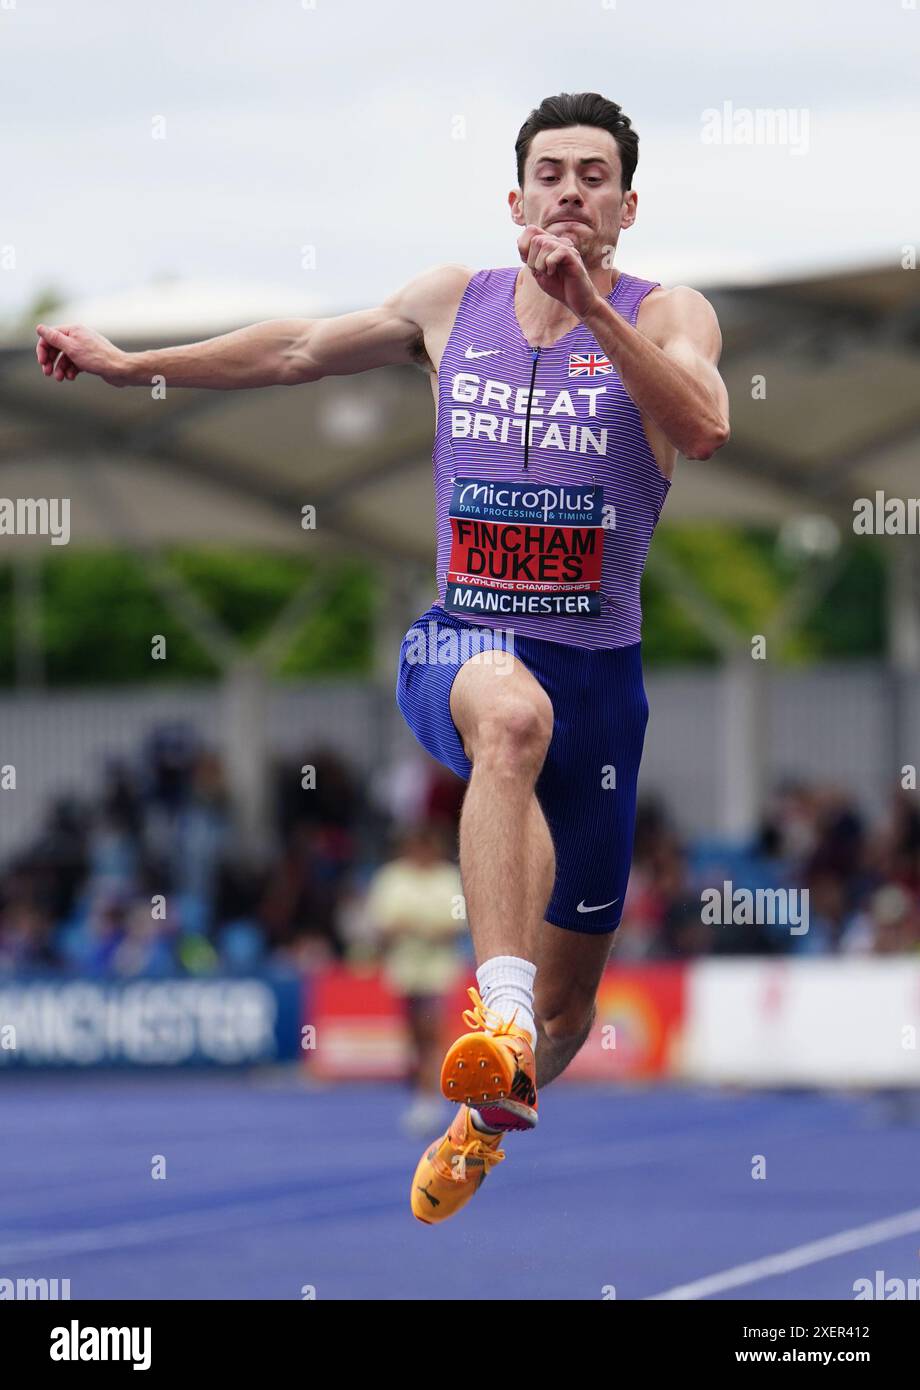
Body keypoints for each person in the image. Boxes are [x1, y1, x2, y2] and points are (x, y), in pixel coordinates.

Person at [35, 91, 730, 1224]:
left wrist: (595, 314)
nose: (569, 189)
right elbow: (298, 346)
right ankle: (490, 1012)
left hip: (601, 682)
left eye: (592, 175)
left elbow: (702, 422)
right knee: (506, 719)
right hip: (467, 637)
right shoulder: (451, 303)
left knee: (567, 1019)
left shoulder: (665, 313)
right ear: (514, 199)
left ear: (626, 205)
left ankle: (488, 1103)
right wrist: (128, 365)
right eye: (548, 171)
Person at [364, 823, 466, 1136]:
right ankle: (418, 1092)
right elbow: (382, 923)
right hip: (405, 968)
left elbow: (456, 923)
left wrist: (419, 927)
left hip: (437, 969)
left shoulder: (448, 878)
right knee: (412, 1036)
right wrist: (415, 927)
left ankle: (428, 1098)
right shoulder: (393, 878)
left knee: (430, 1032)